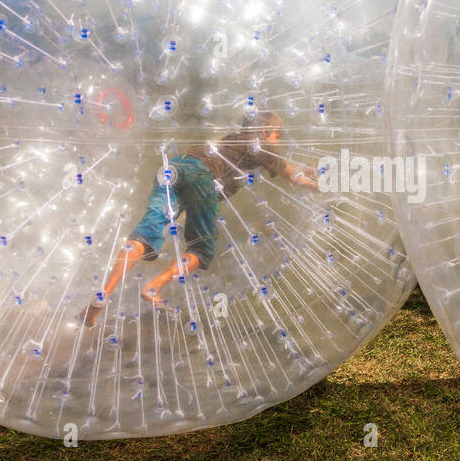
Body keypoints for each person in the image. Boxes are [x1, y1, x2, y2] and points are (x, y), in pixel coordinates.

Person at [82, 112, 318, 326]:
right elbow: (293, 177)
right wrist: (319, 185)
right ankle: (153, 287)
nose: (278, 141)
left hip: (174, 166)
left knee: (145, 233)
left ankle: (103, 293)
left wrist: (302, 170)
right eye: (278, 135)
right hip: (203, 174)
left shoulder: (231, 139)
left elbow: (288, 169)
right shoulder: (261, 146)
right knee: (202, 247)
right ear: (265, 133)